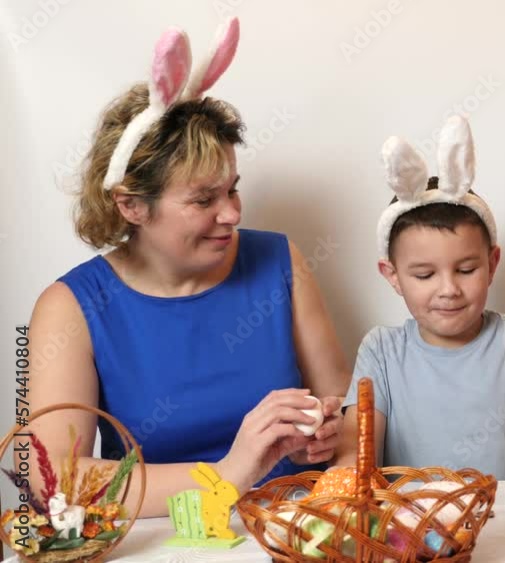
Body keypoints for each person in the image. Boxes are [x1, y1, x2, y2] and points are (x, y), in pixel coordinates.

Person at [26, 18, 351, 517]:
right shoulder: (70, 307)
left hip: (293, 527)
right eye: (204, 199)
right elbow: (55, 480)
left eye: (232, 189)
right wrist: (227, 474)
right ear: (132, 205)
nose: (232, 214)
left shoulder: (279, 259)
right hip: (169, 538)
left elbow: (346, 405)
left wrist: (330, 442)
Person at [333, 116, 505, 511]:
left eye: (466, 270)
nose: (448, 289)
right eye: (424, 275)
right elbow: (355, 455)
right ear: (393, 276)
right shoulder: (381, 350)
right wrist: (340, 474)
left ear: (492, 264)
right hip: (409, 529)